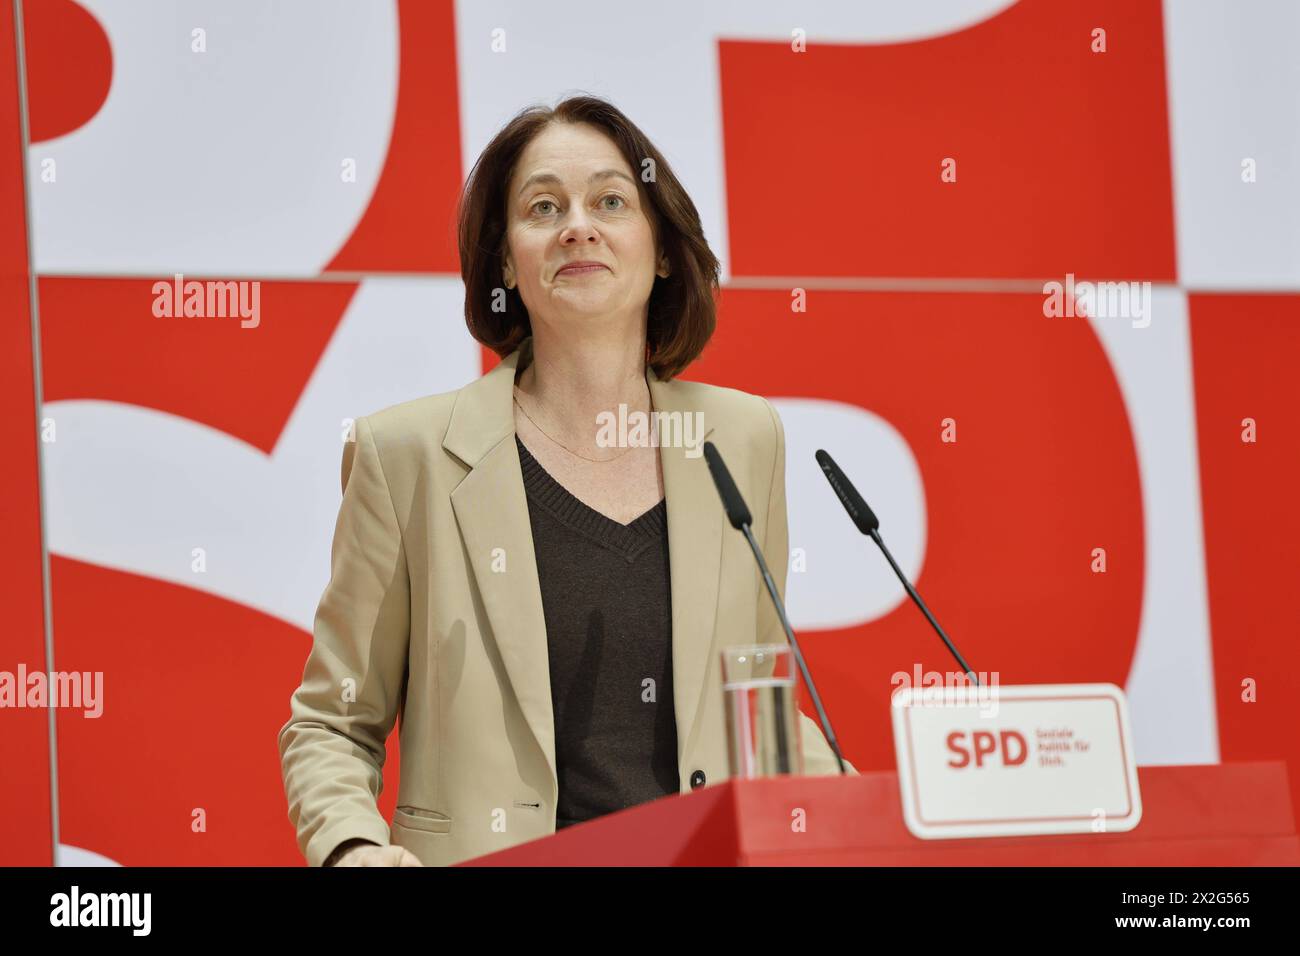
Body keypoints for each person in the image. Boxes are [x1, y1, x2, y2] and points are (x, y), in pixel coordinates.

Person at [278, 94, 854, 868]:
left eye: (611, 200)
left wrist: (869, 816)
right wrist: (352, 851)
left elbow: (766, 715)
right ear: (508, 262)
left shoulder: (742, 439)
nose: (577, 225)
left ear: (659, 249)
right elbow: (333, 724)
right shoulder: (405, 455)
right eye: (543, 207)